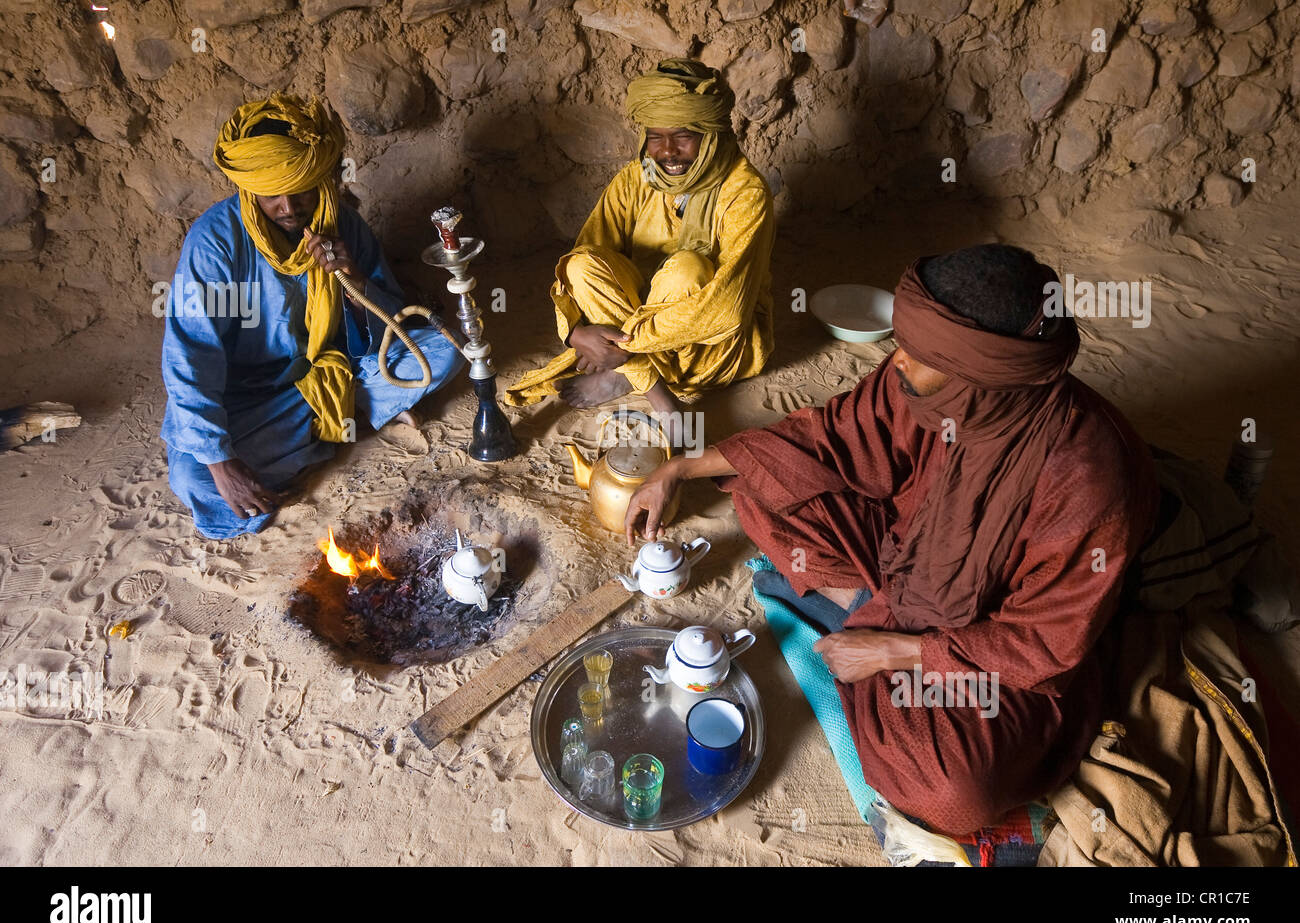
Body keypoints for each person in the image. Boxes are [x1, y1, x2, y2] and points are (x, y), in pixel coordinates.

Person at [623, 245, 1160, 836]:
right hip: (907, 549)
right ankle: (876, 610)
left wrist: (897, 651)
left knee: (954, 790)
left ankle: (872, 621)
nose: (896, 358)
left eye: (920, 352)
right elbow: (832, 437)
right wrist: (677, 470)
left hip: (995, 642)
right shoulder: (930, 384)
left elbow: (1040, 644)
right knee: (762, 486)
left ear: (981, 374)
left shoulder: (1089, 482)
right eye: (903, 340)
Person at [160, 94, 463, 539]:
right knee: (196, 479)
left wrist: (354, 280)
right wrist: (221, 463)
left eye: (301, 188)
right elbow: (191, 353)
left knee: (443, 351)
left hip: (335, 371)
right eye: (272, 194)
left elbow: (390, 327)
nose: (288, 206)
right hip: (252, 397)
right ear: (249, 189)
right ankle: (345, 422)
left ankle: (331, 424)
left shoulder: (340, 223)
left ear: (321, 178)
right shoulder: (217, 242)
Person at [504, 58, 775, 418]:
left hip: (709, 349)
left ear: (712, 135)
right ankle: (654, 389)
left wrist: (621, 347)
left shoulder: (745, 191)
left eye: (684, 136)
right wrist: (575, 334)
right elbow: (582, 265)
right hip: (637, 316)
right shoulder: (637, 177)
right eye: (655, 136)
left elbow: (724, 309)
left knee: (686, 269)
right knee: (583, 263)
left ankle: (627, 373)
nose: (666, 151)